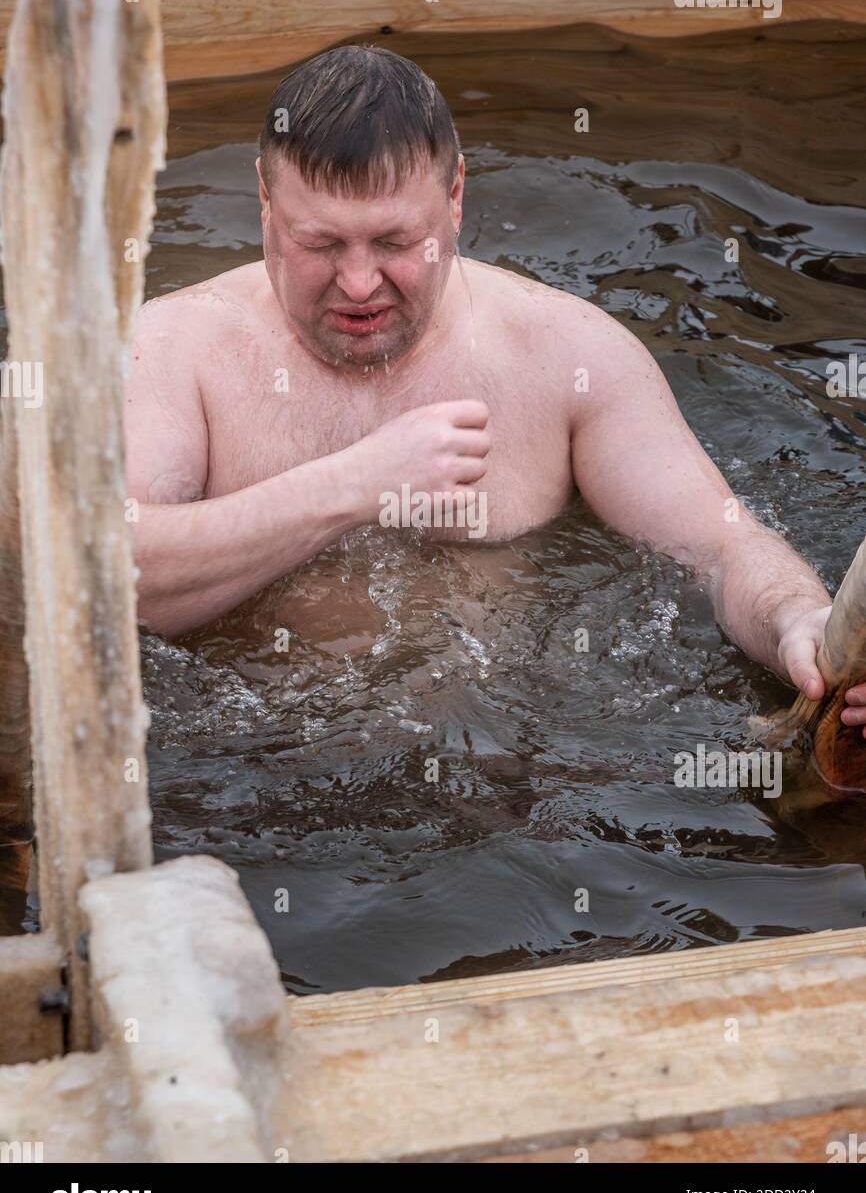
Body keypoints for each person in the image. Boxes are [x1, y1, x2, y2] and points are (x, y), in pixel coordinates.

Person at [124, 43, 866, 735]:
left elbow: (723, 546)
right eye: (318, 243)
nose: (358, 282)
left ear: (455, 196)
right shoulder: (172, 348)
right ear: (264, 198)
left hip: (494, 760)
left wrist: (800, 621)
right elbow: (101, 577)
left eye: (393, 242)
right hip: (245, 763)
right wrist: (353, 484)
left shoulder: (568, 354)